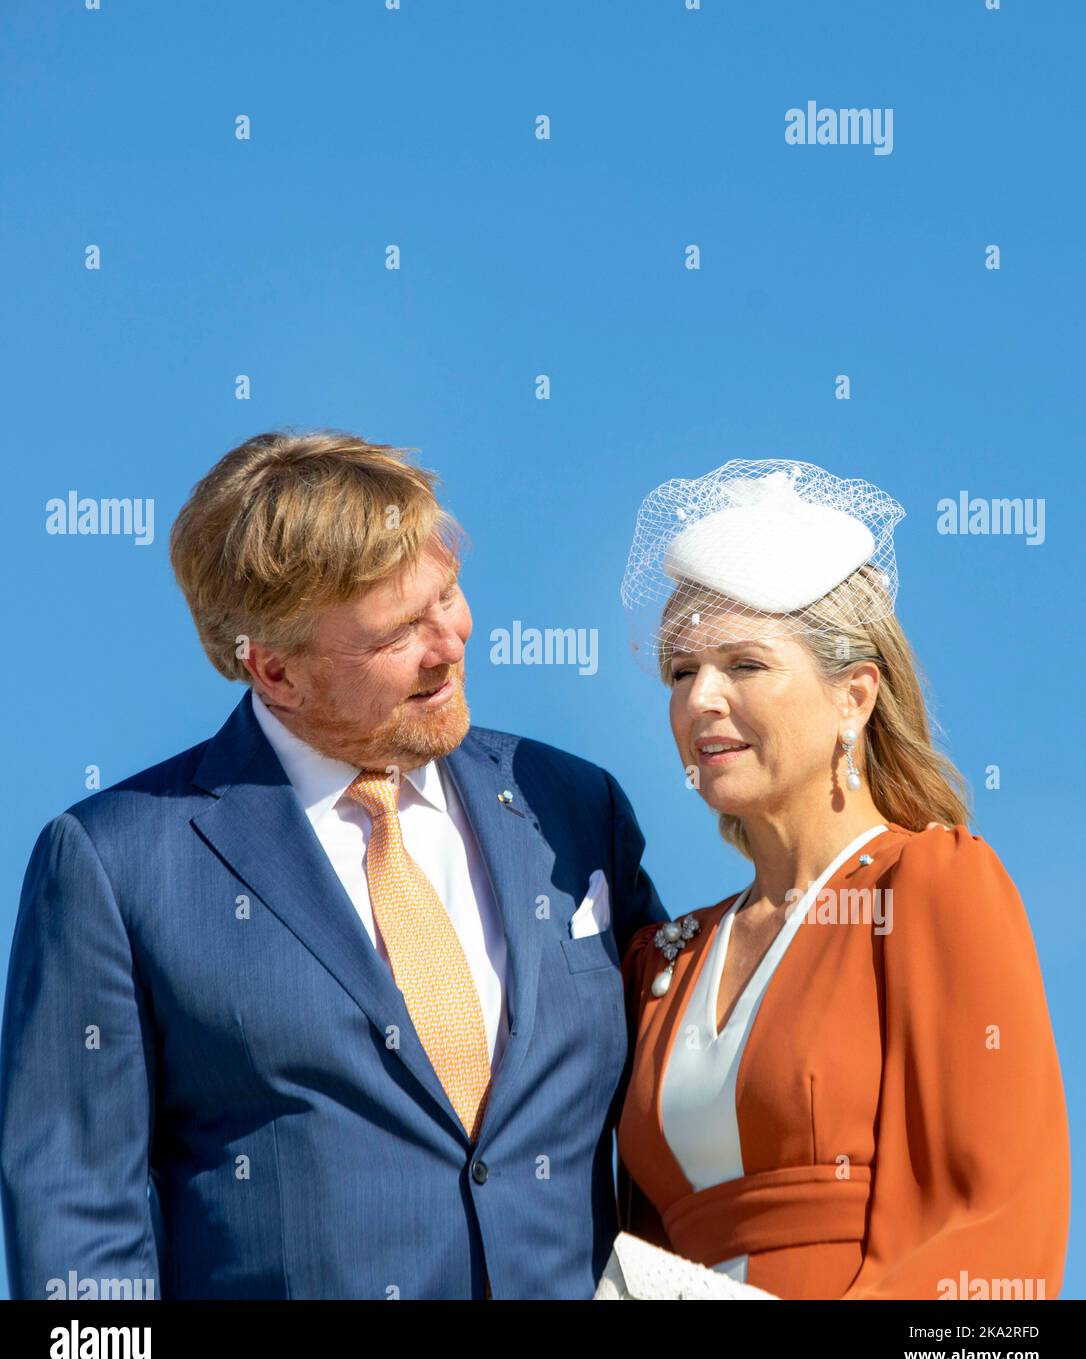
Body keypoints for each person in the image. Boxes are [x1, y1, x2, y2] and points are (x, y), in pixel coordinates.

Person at [0, 429, 665, 1300]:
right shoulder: (115, 862)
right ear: (273, 670)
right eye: (398, 634)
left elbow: (664, 1127)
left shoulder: (573, 805)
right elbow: (76, 1217)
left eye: (448, 596)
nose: (449, 644)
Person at [613, 458, 1070, 1299]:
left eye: (743, 665)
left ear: (854, 696)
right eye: (680, 672)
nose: (699, 700)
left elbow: (999, 1217)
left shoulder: (933, 886)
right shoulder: (662, 959)